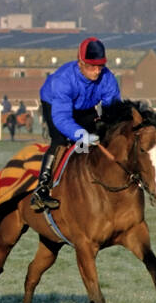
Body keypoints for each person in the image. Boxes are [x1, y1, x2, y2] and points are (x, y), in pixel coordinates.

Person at [30, 38, 122, 213]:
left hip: (84, 106)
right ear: (80, 63)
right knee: (60, 139)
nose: (96, 72)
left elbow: (113, 110)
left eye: (100, 66)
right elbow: (62, 118)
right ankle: (42, 188)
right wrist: (81, 135)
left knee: (99, 139)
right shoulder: (63, 80)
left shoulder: (107, 78)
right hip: (55, 105)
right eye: (91, 67)